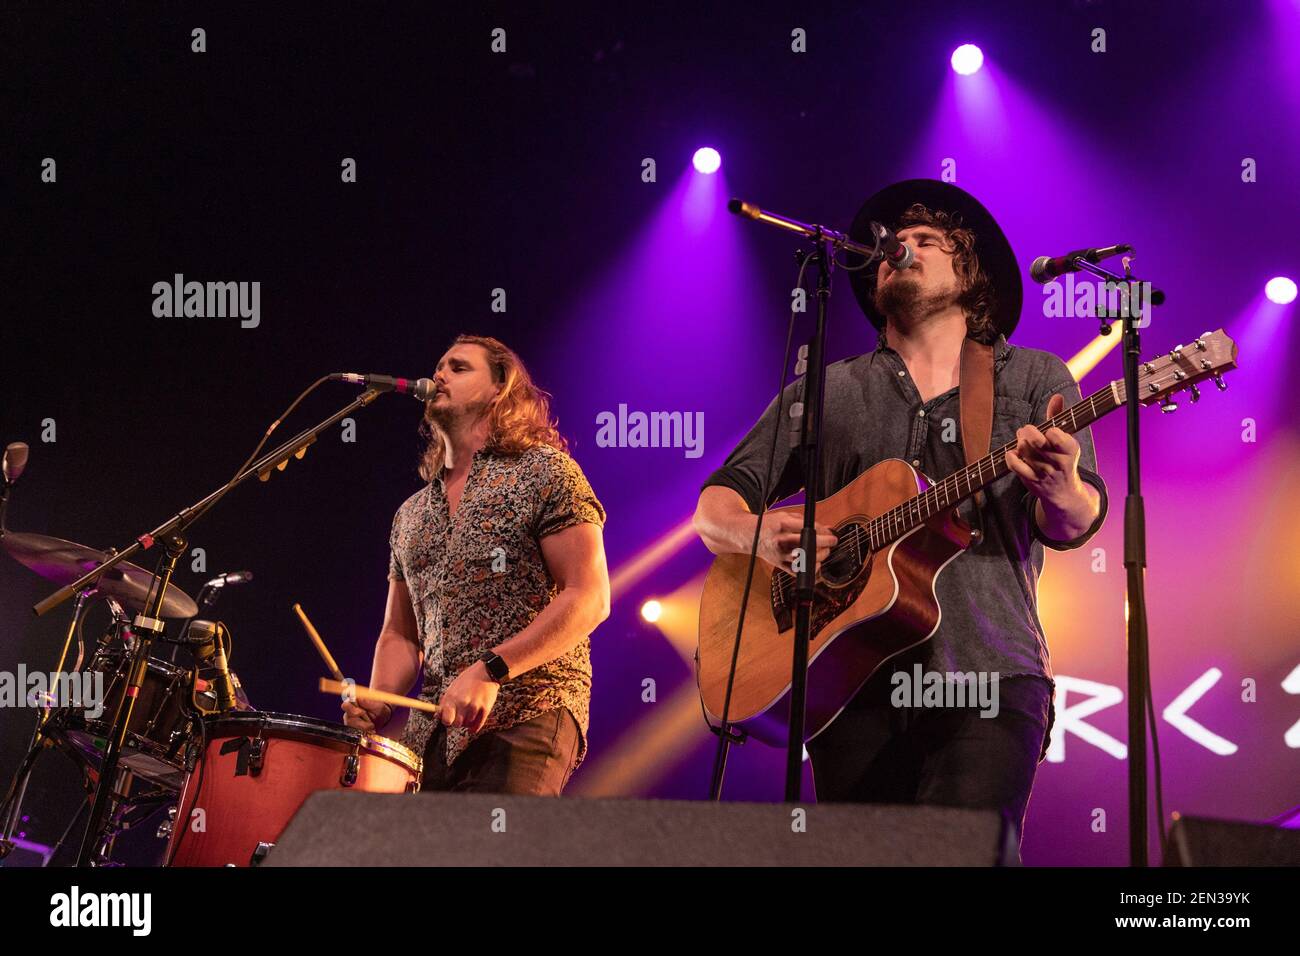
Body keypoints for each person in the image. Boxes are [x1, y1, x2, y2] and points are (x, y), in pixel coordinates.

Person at [692, 180, 1108, 843]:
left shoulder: (1033, 377)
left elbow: (1073, 523)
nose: (897, 248)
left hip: (987, 674)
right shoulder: (827, 390)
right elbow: (715, 507)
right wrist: (754, 533)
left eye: (925, 242)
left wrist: (1061, 487)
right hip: (848, 683)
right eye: (891, 243)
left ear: (970, 274)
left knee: (961, 857)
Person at [344, 334, 609, 795]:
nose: (439, 374)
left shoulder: (545, 471)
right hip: (432, 733)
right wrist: (379, 700)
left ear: (498, 389)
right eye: (439, 364)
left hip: (527, 710)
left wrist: (491, 669)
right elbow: (401, 633)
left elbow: (588, 596)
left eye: (459, 367)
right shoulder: (409, 515)